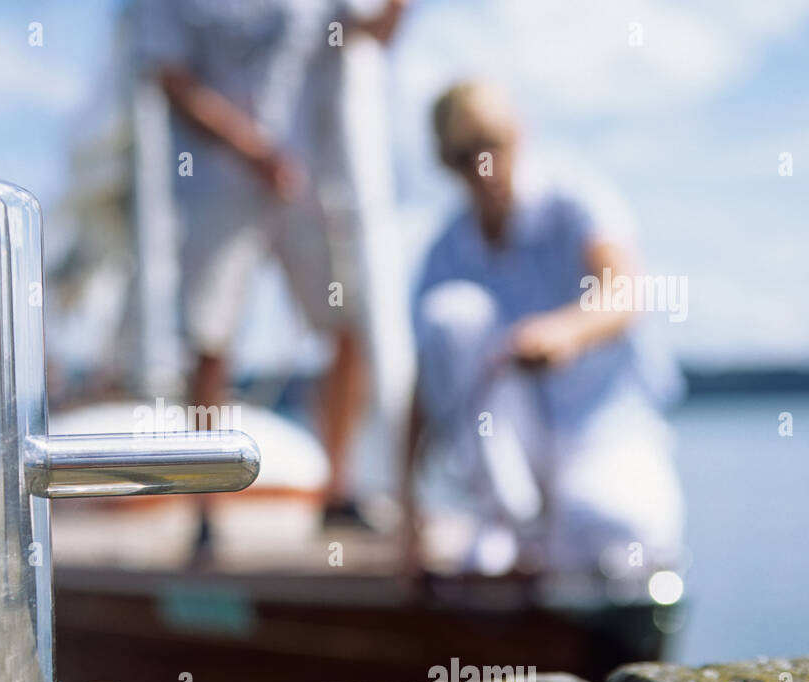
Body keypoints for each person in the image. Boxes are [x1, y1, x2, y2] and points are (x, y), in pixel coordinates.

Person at [130, 0, 410, 534]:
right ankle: (206, 509)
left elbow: (369, 34)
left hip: (305, 186)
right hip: (217, 190)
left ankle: (337, 492)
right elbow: (170, 78)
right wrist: (254, 151)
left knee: (346, 326)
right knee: (210, 343)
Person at [403, 80, 685, 577]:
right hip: (514, 446)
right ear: (447, 163)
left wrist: (564, 332)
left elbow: (624, 293)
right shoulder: (445, 251)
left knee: (620, 534)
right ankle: (506, 517)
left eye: (493, 143)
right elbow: (423, 382)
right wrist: (406, 510)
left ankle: (548, 544)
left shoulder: (577, 199)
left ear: (520, 134)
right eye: (465, 153)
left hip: (605, 427)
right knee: (450, 315)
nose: (483, 163)